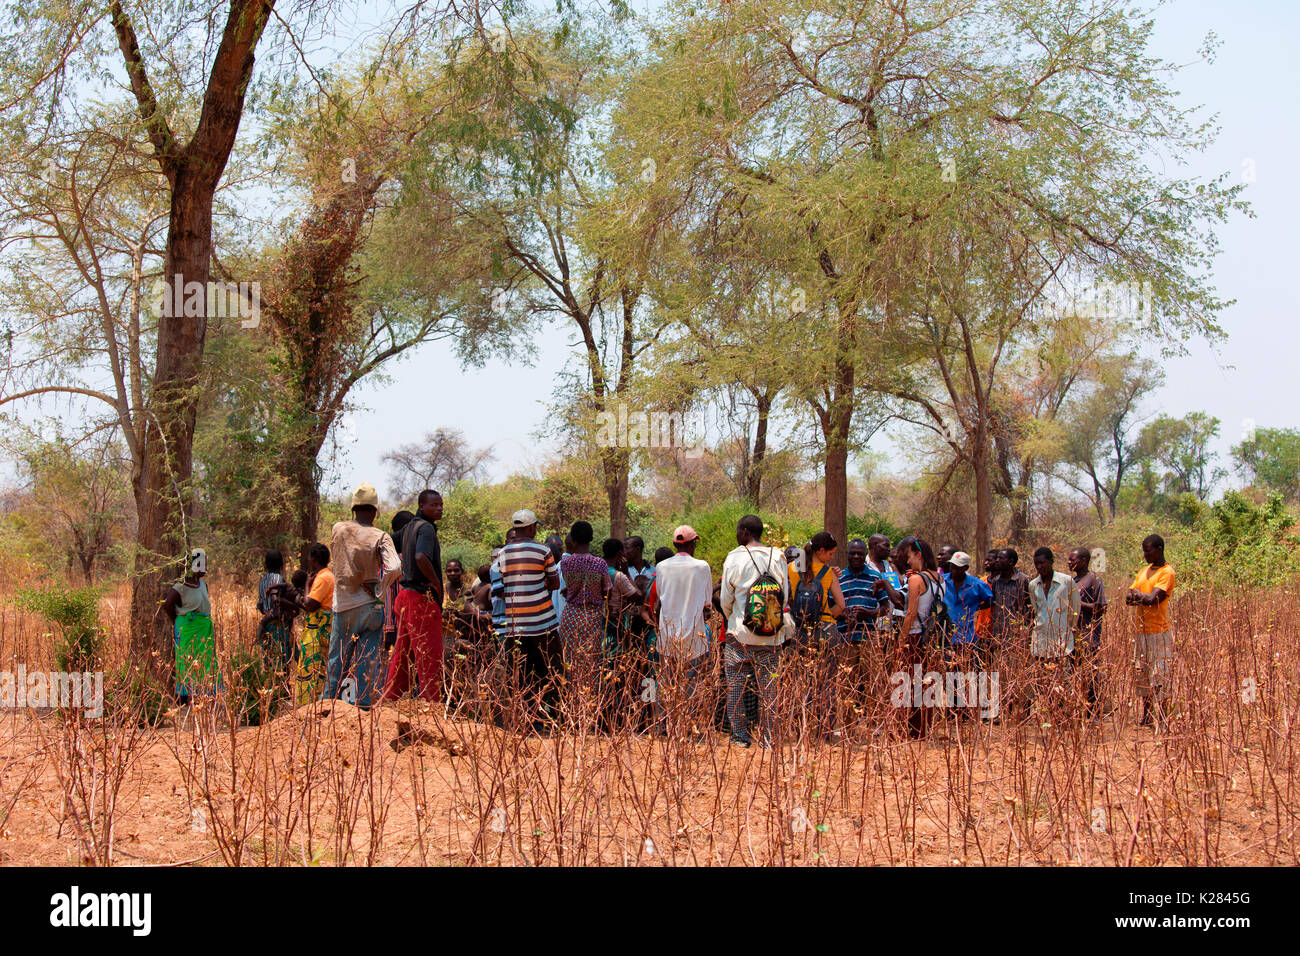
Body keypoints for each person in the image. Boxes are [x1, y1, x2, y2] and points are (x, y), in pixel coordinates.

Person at [719, 514, 794, 748]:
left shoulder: (734, 558)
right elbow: (785, 596)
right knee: (769, 689)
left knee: (736, 688)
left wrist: (736, 617)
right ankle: (768, 738)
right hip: (771, 636)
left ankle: (740, 736)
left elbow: (725, 600)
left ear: (743, 532)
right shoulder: (778, 556)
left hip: (739, 635)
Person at [324, 482, 400, 710]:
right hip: (372, 607)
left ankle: (328, 707)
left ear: (353, 508)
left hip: (344, 605)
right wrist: (379, 588)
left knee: (337, 660)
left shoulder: (339, 529)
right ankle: (363, 707)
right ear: (375, 511)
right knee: (367, 662)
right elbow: (395, 567)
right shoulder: (381, 535)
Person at [499, 510, 562, 729]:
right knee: (553, 670)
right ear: (531, 527)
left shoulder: (503, 553)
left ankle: (526, 722)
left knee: (522, 675)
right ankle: (556, 719)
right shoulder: (543, 550)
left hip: (515, 625)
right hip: (543, 622)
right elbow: (554, 583)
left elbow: (502, 586)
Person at [647, 525, 714, 731]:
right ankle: (685, 726)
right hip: (694, 635)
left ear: (675, 544)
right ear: (693, 543)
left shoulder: (662, 567)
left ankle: (661, 725)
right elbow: (707, 604)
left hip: (667, 635)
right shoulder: (702, 567)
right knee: (691, 683)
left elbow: (659, 599)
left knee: (665, 682)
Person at [383, 489, 445, 703]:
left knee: (402, 656)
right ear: (421, 506)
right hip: (422, 599)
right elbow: (420, 556)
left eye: (441, 505)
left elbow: (387, 544)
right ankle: (433, 707)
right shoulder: (426, 529)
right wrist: (435, 581)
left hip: (404, 597)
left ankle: (389, 701)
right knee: (430, 658)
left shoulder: (409, 528)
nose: (439, 509)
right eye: (434, 505)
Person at [896, 536, 944, 737]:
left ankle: (906, 730)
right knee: (926, 685)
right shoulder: (939, 579)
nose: (908, 562)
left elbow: (911, 613)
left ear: (919, 555)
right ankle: (923, 729)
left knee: (906, 684)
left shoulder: (916, 579)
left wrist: (901, 640)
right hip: (932, 639)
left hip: (915, 637)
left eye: (910, 557)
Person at [1126, 534, 1176, 729]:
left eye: (1148, 550)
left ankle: (1163, 719)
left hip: (1159, 632)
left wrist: (1141, 596)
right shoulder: (1144, 571)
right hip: (1141, 632)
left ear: (1160, 549)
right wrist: (1141, 596)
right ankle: (1147, 716)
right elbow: (1129, 597)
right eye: (1144, 550)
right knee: (1143, 674)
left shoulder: (1167, 572)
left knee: (1160, 675)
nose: (1145, 554)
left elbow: (1153, 599)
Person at [1024, 547, 1080, 721]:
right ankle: (1050, 715)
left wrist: (1067, 628)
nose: (1039, 567)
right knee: (1044, 683)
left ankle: (1063, 717)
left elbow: (1074, 609)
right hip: (1040, 641)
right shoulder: (1033, 585)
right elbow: (1036, 608)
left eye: (1042, 563)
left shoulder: (1066, 582)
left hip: (1062, 641)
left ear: (1051, 561)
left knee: (1063, 683)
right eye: (1036, 564)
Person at [163, 548, 217, 703]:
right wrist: (179, 620)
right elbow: (167, 605)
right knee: (185, 660)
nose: (205, 568)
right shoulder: (180, 586)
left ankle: (204, 691)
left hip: (203, 629)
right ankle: (185, 696)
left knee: (205, 659)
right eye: (203, 564)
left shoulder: (203, 585)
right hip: (187, 627)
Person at [558, 521, 611, 666]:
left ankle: (572, 689)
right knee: (591, 662)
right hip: (592, 617)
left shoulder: (565, 563)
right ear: (591, 539)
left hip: (570, 616)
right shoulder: (600, 563)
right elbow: (607, 589)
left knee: (570, 662)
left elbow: (572, 585)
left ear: (573, 540)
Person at [1068, 547, 1107, 718]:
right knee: (1074, 675)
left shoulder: (1094, 580)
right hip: (1072, 636)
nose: (1069, 563)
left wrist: (1076, 603)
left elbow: (1100, 608)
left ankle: (1094, 712)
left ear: (1084, 561)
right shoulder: (1073, 581)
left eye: (1073, 559)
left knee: (1091, 676)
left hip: (1089, 636)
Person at [296, 544, 334, 707]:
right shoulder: (327, 575)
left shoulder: (323, 578)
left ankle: (308, 707)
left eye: (310, 558)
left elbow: (310, 604)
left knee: (311, 668)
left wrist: (306, 585)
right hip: (322, 629)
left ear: (315, 560)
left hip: (317, 632)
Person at [942, 551, 993, 665]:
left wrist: (977, 607)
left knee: (966, 669)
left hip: (966, 636)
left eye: (958, 567)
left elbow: (990, 600)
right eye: (952, 566)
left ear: (965, 568)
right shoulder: (942, 581)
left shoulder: (976, 584)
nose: (954, 570)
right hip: (945, 635)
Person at [989, 548, 1031, 644]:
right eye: (997, 558)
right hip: (999, 633)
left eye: (1001, 558)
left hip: (1018, 633)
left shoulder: (1024, 580)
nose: (997, 561)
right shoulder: (996, 581)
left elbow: (1030, 607)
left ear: (1011, 562)